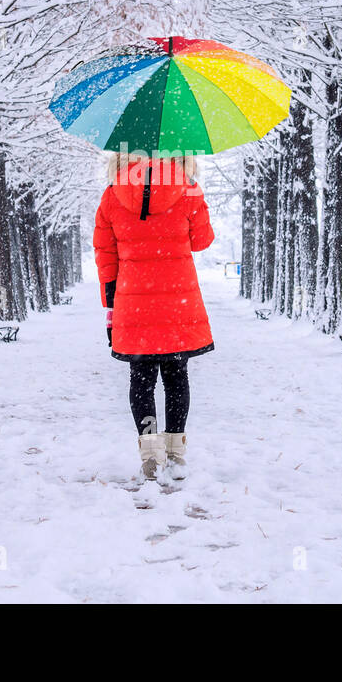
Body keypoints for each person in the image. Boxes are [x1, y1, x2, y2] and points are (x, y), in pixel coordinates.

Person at [93, 152, 215, 480]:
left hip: (133, 302)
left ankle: (150, 451)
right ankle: (175, 452)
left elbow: (105, 254)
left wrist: (110, 305)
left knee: (141, 380)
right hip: (178, 301)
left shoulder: (113, 194)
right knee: (177, 378)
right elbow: (202, 241)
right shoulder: (187, 189)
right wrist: (194, 191)